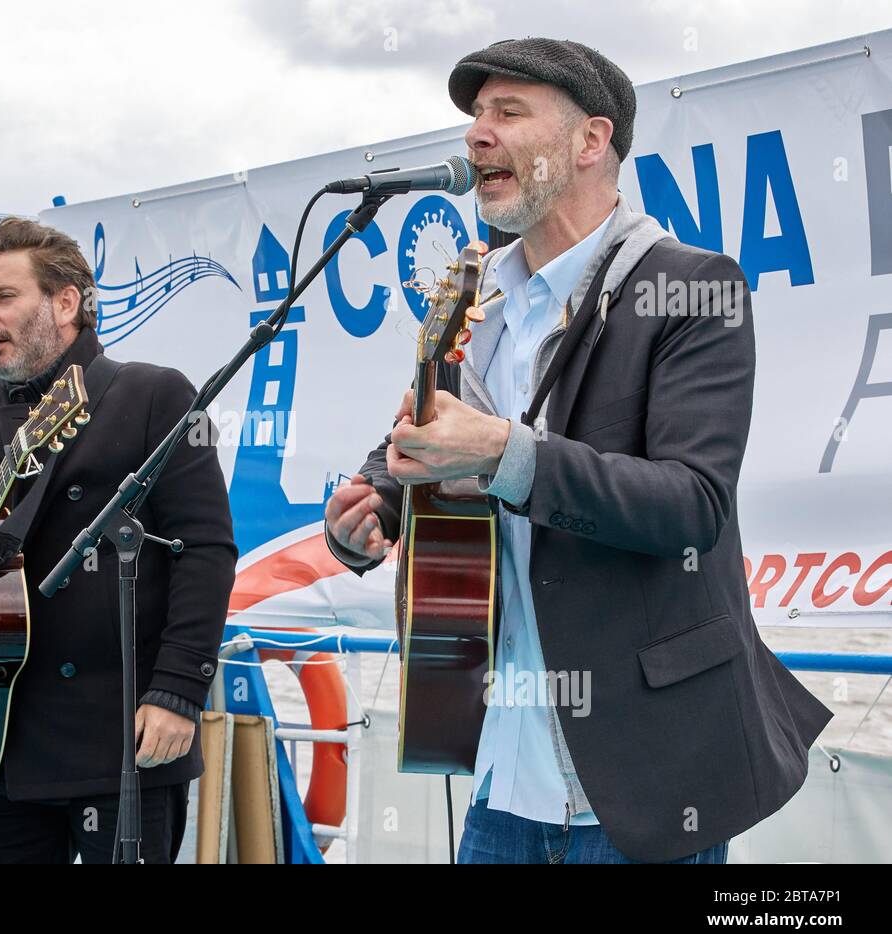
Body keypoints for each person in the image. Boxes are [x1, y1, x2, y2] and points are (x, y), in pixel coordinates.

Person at [324, 38, 833, 863]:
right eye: (474, 116)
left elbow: (691, 505)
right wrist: (370, 506)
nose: (476, 135)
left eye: (507, 112)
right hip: (499, 771)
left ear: (591, 141)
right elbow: (422, 440)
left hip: (641, 780)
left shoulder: (695, 289)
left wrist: (501, 454)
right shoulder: (475, 298)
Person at [0, 216, 236, 863]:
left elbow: (206, 551)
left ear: (66, 303)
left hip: (123, 741)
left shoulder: (152, 395)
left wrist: (177, 693)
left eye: (4, 298)